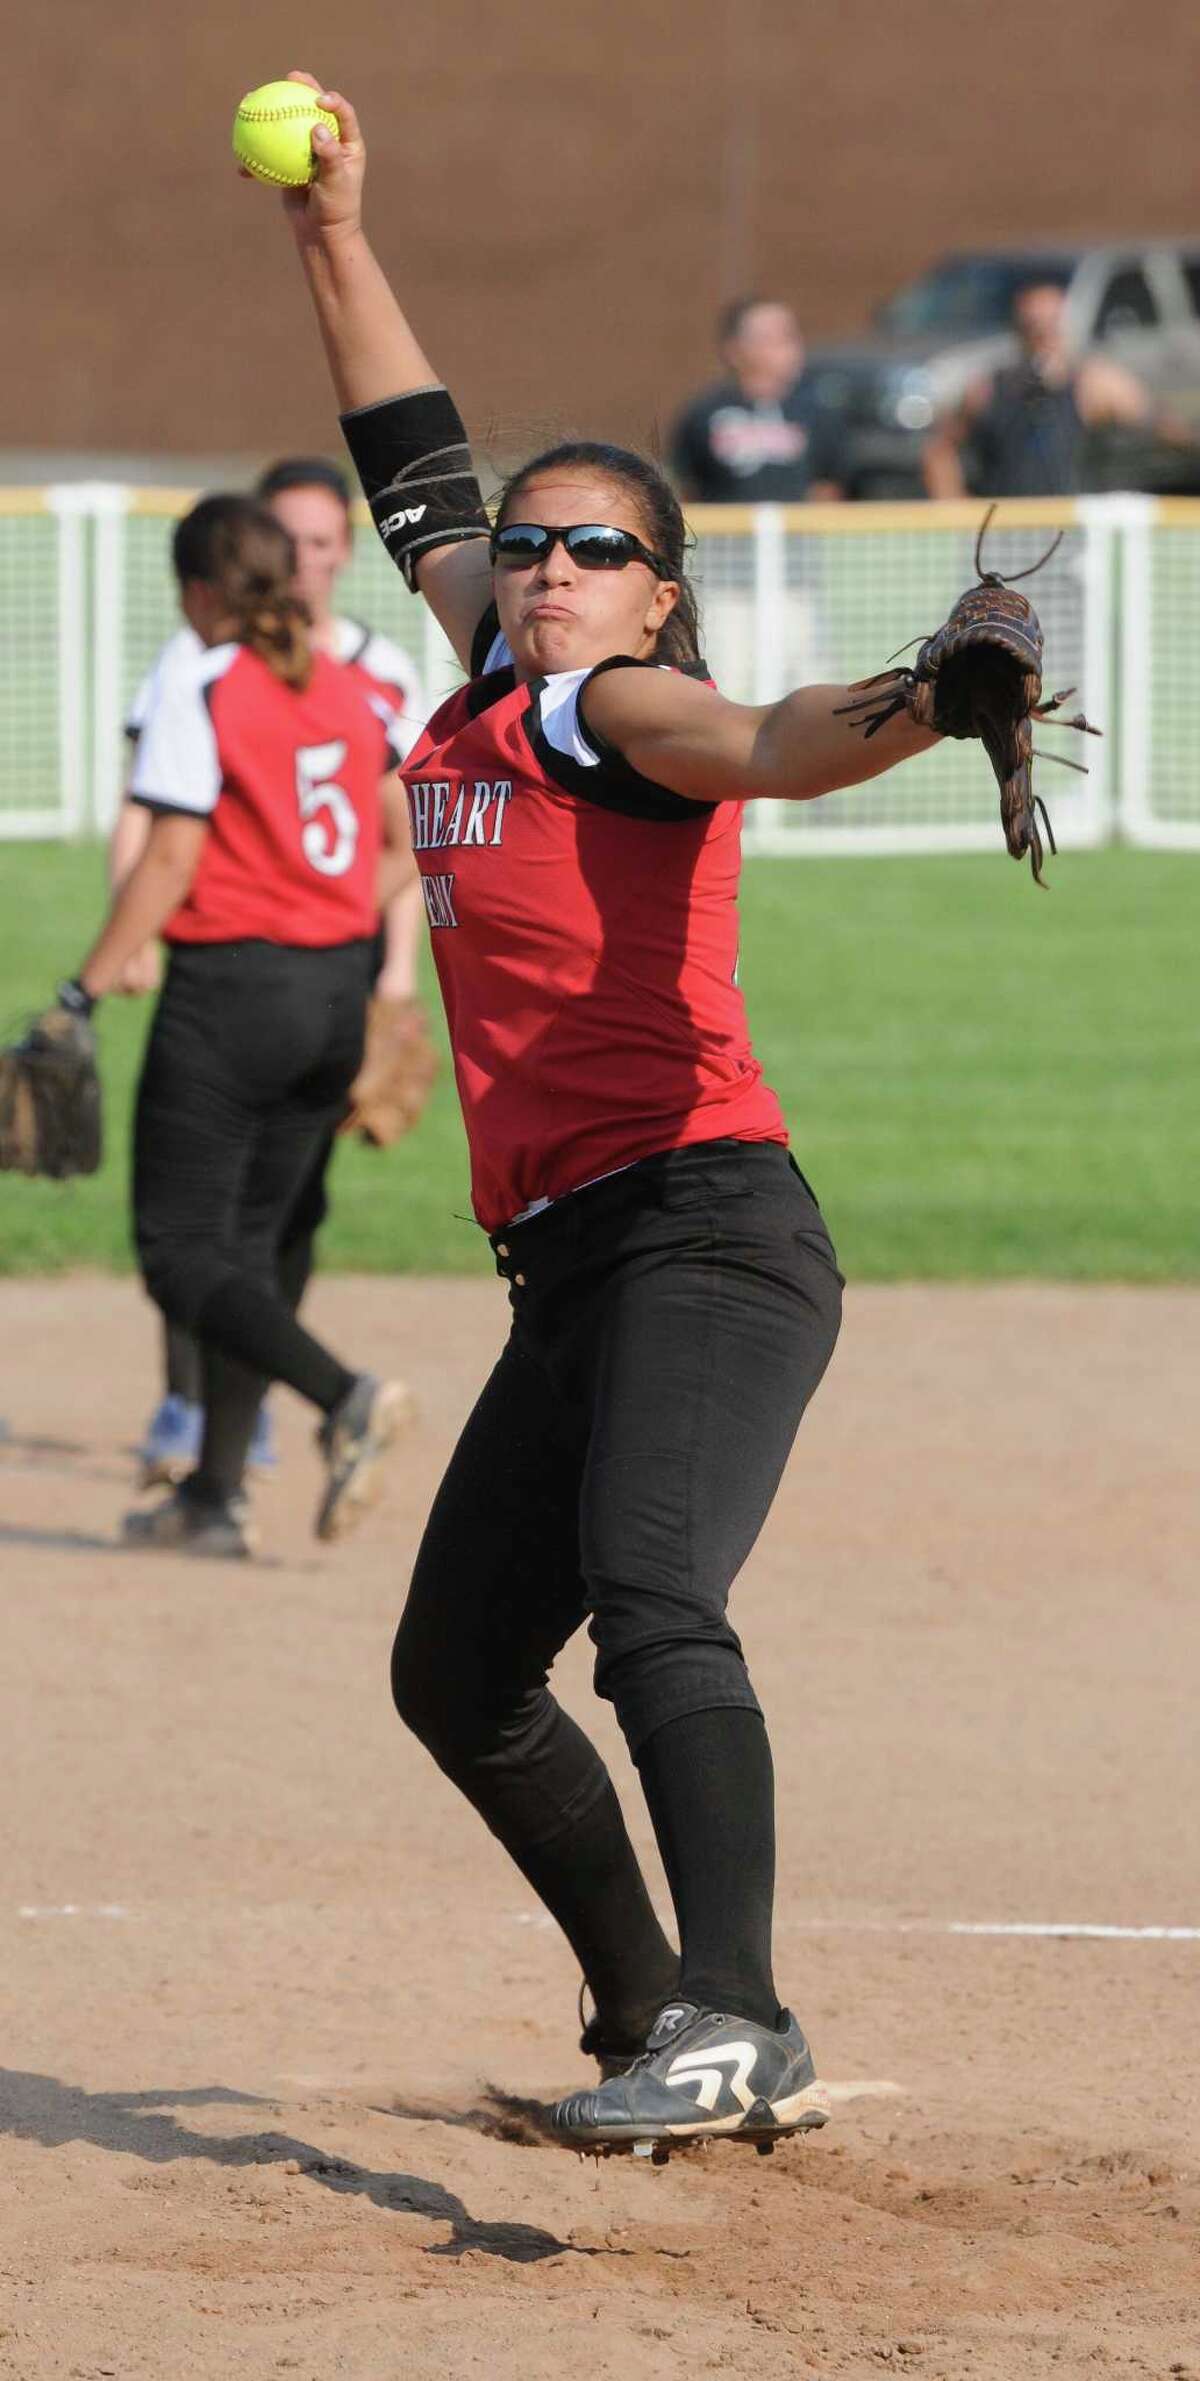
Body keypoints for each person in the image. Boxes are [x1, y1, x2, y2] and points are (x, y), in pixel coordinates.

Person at [262, 73, 945, 2155]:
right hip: (572, 1259)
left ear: (656, 588)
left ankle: (738, 2012)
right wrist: (330, 233)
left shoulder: (628, 704)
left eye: (593, 548)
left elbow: (774, 737)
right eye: (531, 543)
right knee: (458, 1670)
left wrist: (928, 697)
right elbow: (410, 455)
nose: (544, 565)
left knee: (654, 1596)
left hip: (712, 1230)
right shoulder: (488, 668)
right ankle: (653, 2003)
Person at [63, 493, 414, 1557]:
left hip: (231, 997)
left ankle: (342, 1392)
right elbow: (407, 833)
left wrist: (85, 984)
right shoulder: (345, 682)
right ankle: (214, 1498)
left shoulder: (202, 673)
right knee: (250, 1253)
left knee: (179, 1253)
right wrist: (345, 916)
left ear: (196, 590)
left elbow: (169, 855)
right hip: (332, 995)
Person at [922, 278, 1190, 498]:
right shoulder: (988, 389)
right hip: (1006, 535)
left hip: (1071, 528)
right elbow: (940, 451)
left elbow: (1160, 425)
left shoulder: (1093, 385)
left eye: (1051, 326)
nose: (1043, 337)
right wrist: (956, 507)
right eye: (1033, 327)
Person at [669, 297, 843, 504]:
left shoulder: (817, 411)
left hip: (795, 533)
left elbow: (828, 487)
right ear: (734, 349)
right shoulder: (704, 413)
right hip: (728, 533)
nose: (789, 350)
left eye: (791, 337)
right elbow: (687, 486)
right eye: (772, 339)